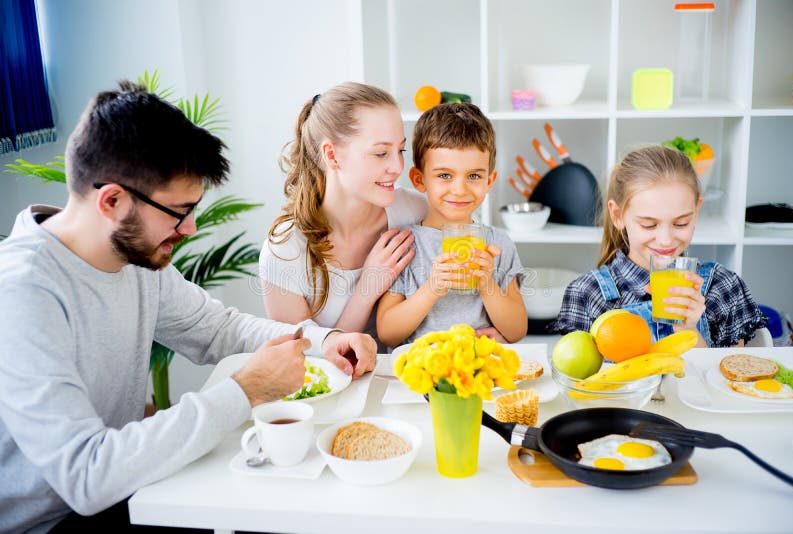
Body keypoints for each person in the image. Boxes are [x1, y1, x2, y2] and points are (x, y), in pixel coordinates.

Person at [0, 81, 376, 533]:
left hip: (130, 487)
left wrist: (324, 340)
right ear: (112, 200)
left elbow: (219, 329)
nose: (192, 228)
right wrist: (245, 389)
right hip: (53, 520)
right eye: (179, 211)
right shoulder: (21, 292)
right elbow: (85, 475)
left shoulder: (134, 259)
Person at [259, 82, 428, 346]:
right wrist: (367, 288)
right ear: (332, 155)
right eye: (381, 153)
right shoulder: (285, 249)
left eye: (400, 150)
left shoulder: (416, 211)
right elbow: (303, 360)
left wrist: (491, 328)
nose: (397, 166)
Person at [550, 144, 765, 347]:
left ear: (697, 210)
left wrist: (688, 329)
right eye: (649, 224)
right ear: (617, 215)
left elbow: (728, 382)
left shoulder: (723, 287)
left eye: (681, 223)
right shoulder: (587, 294)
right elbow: (581, 381)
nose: (665, 240)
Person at [376, 103, 528, 347]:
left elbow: (517, 330)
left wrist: (487, 283)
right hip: (422, 372)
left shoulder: (499, 245)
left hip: (480, 369)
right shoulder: (404, 246)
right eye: (444, 175)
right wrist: (432, 288)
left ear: (490, 181)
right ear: (419, 179)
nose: (459, 190)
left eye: (474, 176)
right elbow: (387, 333)